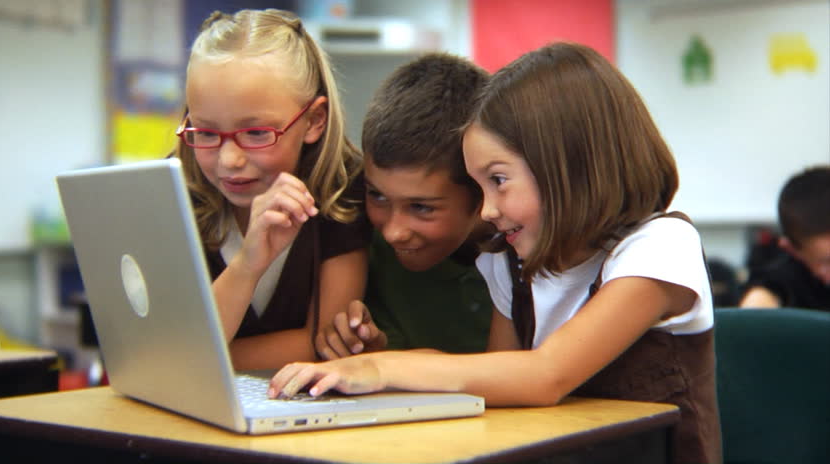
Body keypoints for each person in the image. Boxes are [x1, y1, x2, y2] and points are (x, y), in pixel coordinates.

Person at [269, 42, 722, 464]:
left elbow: (545, 376)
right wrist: (356, 371)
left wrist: (380, 367)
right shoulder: (508, 262)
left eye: (498, 181)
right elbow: (493, 380)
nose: (486, 209)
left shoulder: (658, 249)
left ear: (569, 168)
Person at [173, 9, 372, 370]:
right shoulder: (174, 192)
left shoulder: (343, 189)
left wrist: (193, 359)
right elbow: (176, 351)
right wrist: (247, 265)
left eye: (256, 133)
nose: (229, 159)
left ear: (314, 121)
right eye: (206, 133)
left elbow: (325, 342)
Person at [314, 53, 494, 359]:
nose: (393, 233)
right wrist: (374, 350)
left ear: (483, 191)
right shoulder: (363, 248)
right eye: (378, 196)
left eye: (422, 208)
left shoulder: (524, 256)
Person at [739, 165, 830, 310]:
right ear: (792, 250)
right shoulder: (781, 283)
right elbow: (763, 296)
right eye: (827, 262)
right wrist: (761, 297)